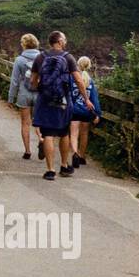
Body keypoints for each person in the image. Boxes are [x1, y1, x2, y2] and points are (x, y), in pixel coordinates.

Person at [29, 30, 92, 180]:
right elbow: (78, 80)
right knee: (64, 133)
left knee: (48, 134)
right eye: (64, 39)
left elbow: (32, 81)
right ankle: (64, 165)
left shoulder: (40, 57)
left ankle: (50, 170)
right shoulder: (68, 58)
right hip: (63, 100)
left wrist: (42, 90)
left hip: (45, 100)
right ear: (59, 42)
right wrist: (86, 99)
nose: (65, 41)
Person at [7, 34, 43, 160]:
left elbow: (15, 81)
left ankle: (27, 151)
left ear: (24, 44)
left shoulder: (19, 60)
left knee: (25, 123)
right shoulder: (42, 58)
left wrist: (11, 98)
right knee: (39, 121)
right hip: (39, 94)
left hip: (24, 93)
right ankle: (41, 138)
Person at [68, 56, 101, 168]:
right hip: (87, 111)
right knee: (84, 133)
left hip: (75, 110)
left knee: (74, 133)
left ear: (77, 64)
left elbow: (69, 95)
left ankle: (75, 154)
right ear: (89, 66)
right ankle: (82, 156)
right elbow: (94, 99)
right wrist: (97, 113)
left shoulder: (73, 78)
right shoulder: (90, 82)